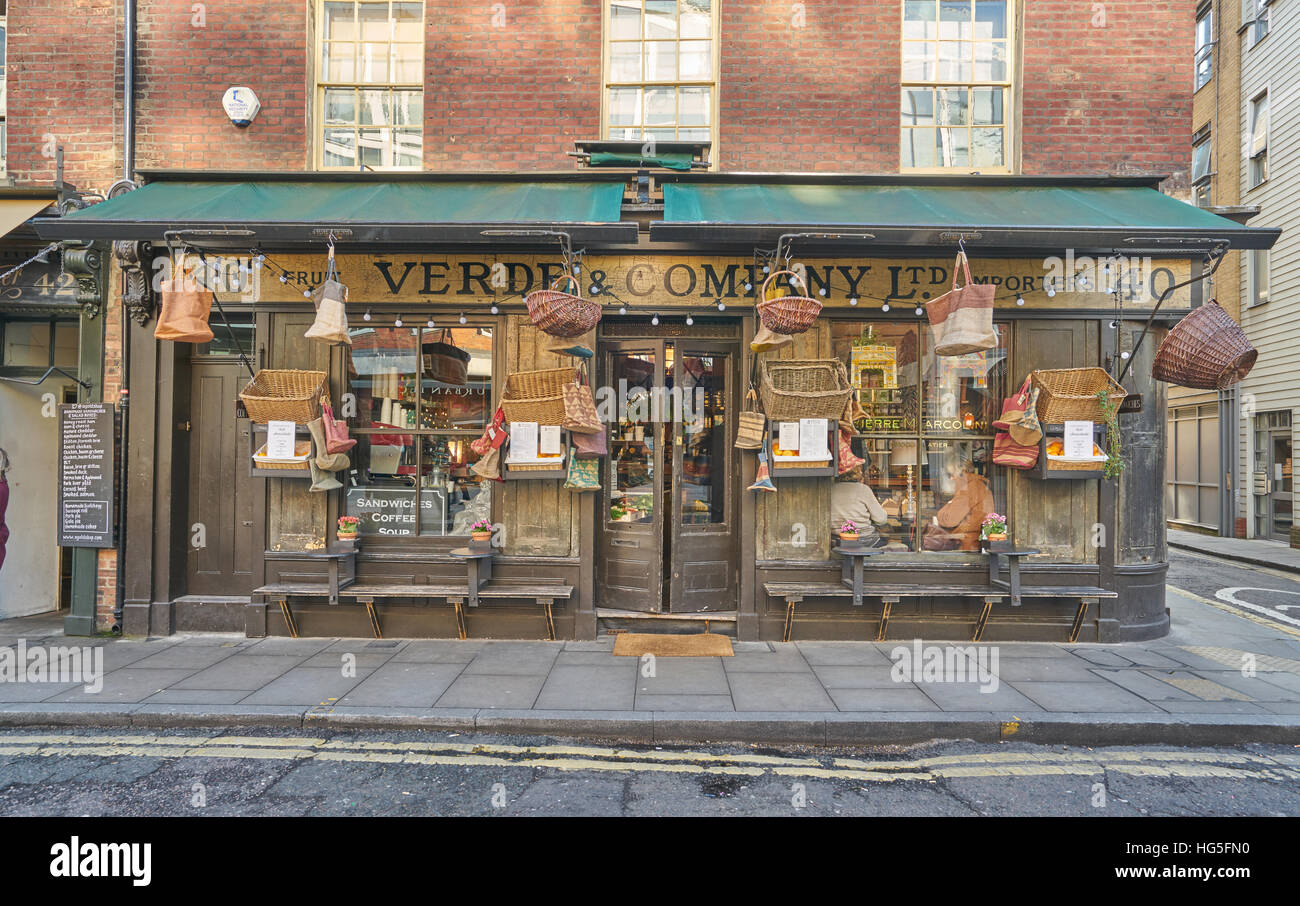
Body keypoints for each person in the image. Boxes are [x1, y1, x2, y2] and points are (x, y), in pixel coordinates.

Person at [831, 464, 888, 546]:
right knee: (885, 539)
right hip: (864, 539)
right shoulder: (863, 489)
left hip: (836, 539)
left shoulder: (830, 489)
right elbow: (881, 519)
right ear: (858, 473)